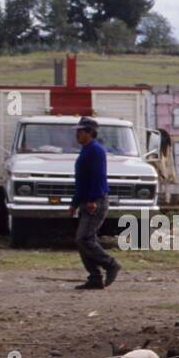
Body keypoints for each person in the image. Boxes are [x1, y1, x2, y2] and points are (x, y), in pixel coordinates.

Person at [70, 117, 121, 290]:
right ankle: (95, 278)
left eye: (81, 131)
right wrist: (75, 203)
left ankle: (110, 264)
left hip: (96, 201)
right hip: (86, 200)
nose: (78, 134)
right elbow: (81, 180)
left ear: (90, 133)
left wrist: (92, 199)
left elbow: (97, 177)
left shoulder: (96, 151)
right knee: (84, 239)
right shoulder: (86, 150)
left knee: (83, 238)